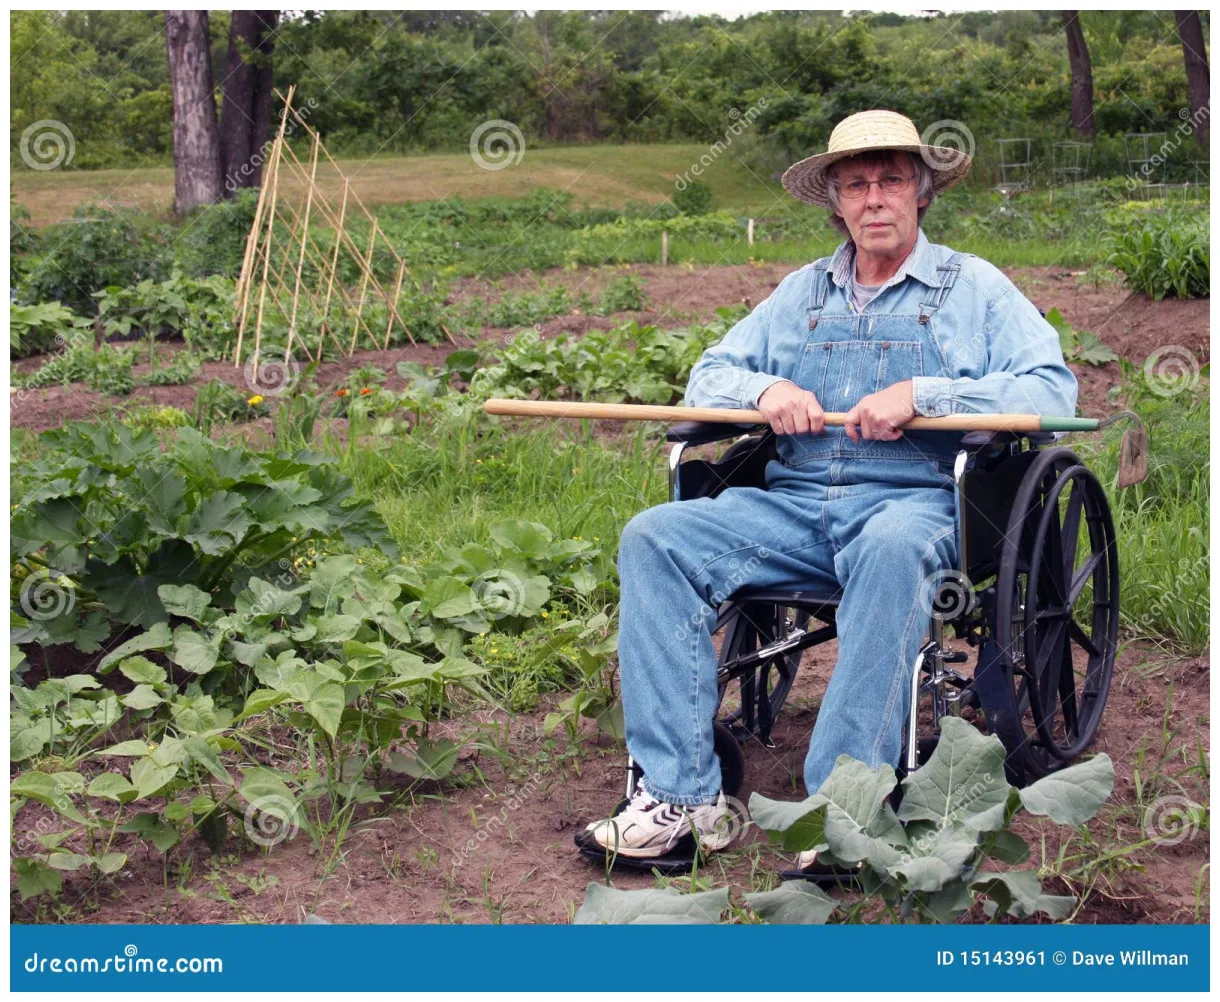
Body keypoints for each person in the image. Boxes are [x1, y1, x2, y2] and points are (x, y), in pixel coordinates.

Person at [574, 110, 1079, 873]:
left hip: (912, 505)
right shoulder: (800, 294)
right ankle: (679, 800)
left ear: (922, 192)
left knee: (889, 544)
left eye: (891, 181)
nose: (874, 199)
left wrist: (927, 394)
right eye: (856, 185)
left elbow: (1052, 389)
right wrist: (767, 386)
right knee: (655, 534)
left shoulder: (974, 288)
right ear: (835, 201)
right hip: (791, 508)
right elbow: (709, 375)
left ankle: (842, 811)